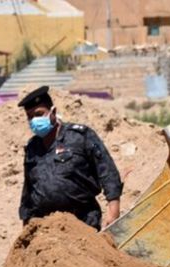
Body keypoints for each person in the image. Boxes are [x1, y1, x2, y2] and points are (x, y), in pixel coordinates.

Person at [18, 85, 123, 231]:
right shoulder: (32, 148)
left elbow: (107, 172)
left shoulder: (80, 136)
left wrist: (113, 211)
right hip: (47, 228)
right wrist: (26, 224)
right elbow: (29, 190)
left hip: (84, 223)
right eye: (30, 117)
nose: (34, 120)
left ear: (53, 112)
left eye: (39, 114)